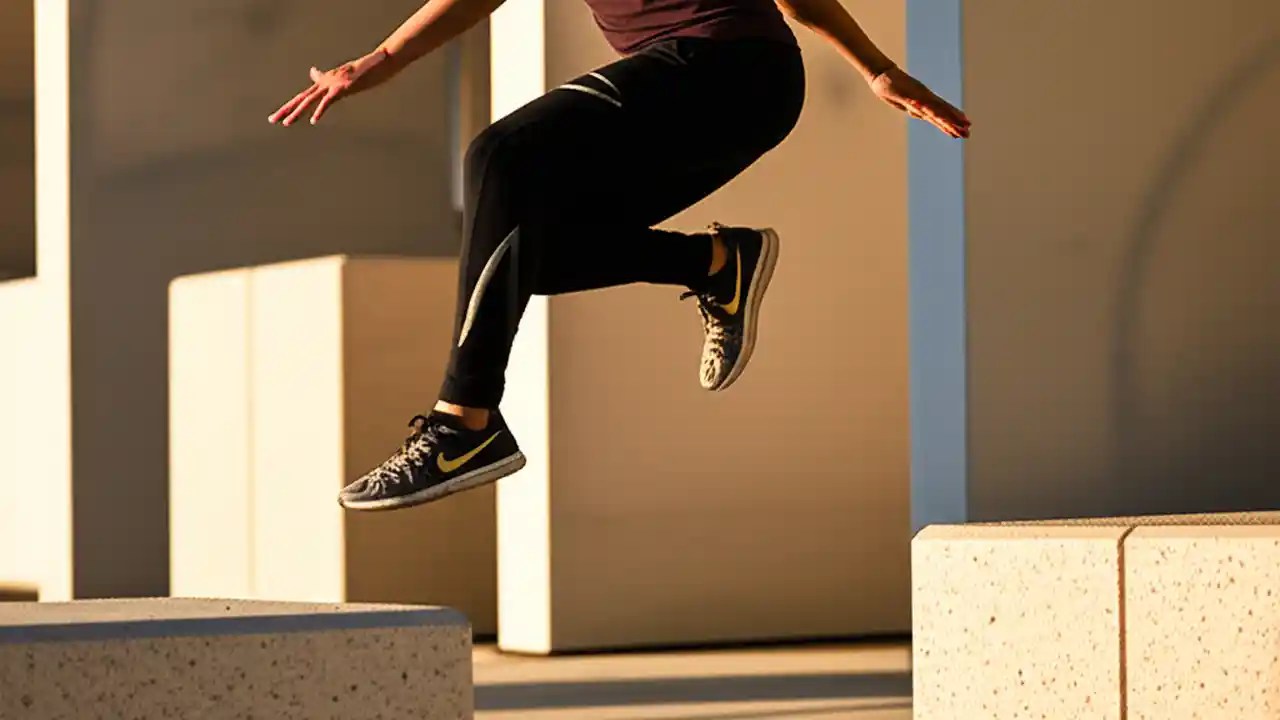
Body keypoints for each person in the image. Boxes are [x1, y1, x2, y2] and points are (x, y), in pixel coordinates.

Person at [269, 0, 970, 512]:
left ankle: (464, 423)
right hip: (703, 89)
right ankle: (714, 265)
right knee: (521, 252)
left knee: (499, 157)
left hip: (732, 68)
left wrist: (879, 70)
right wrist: (378, 62)